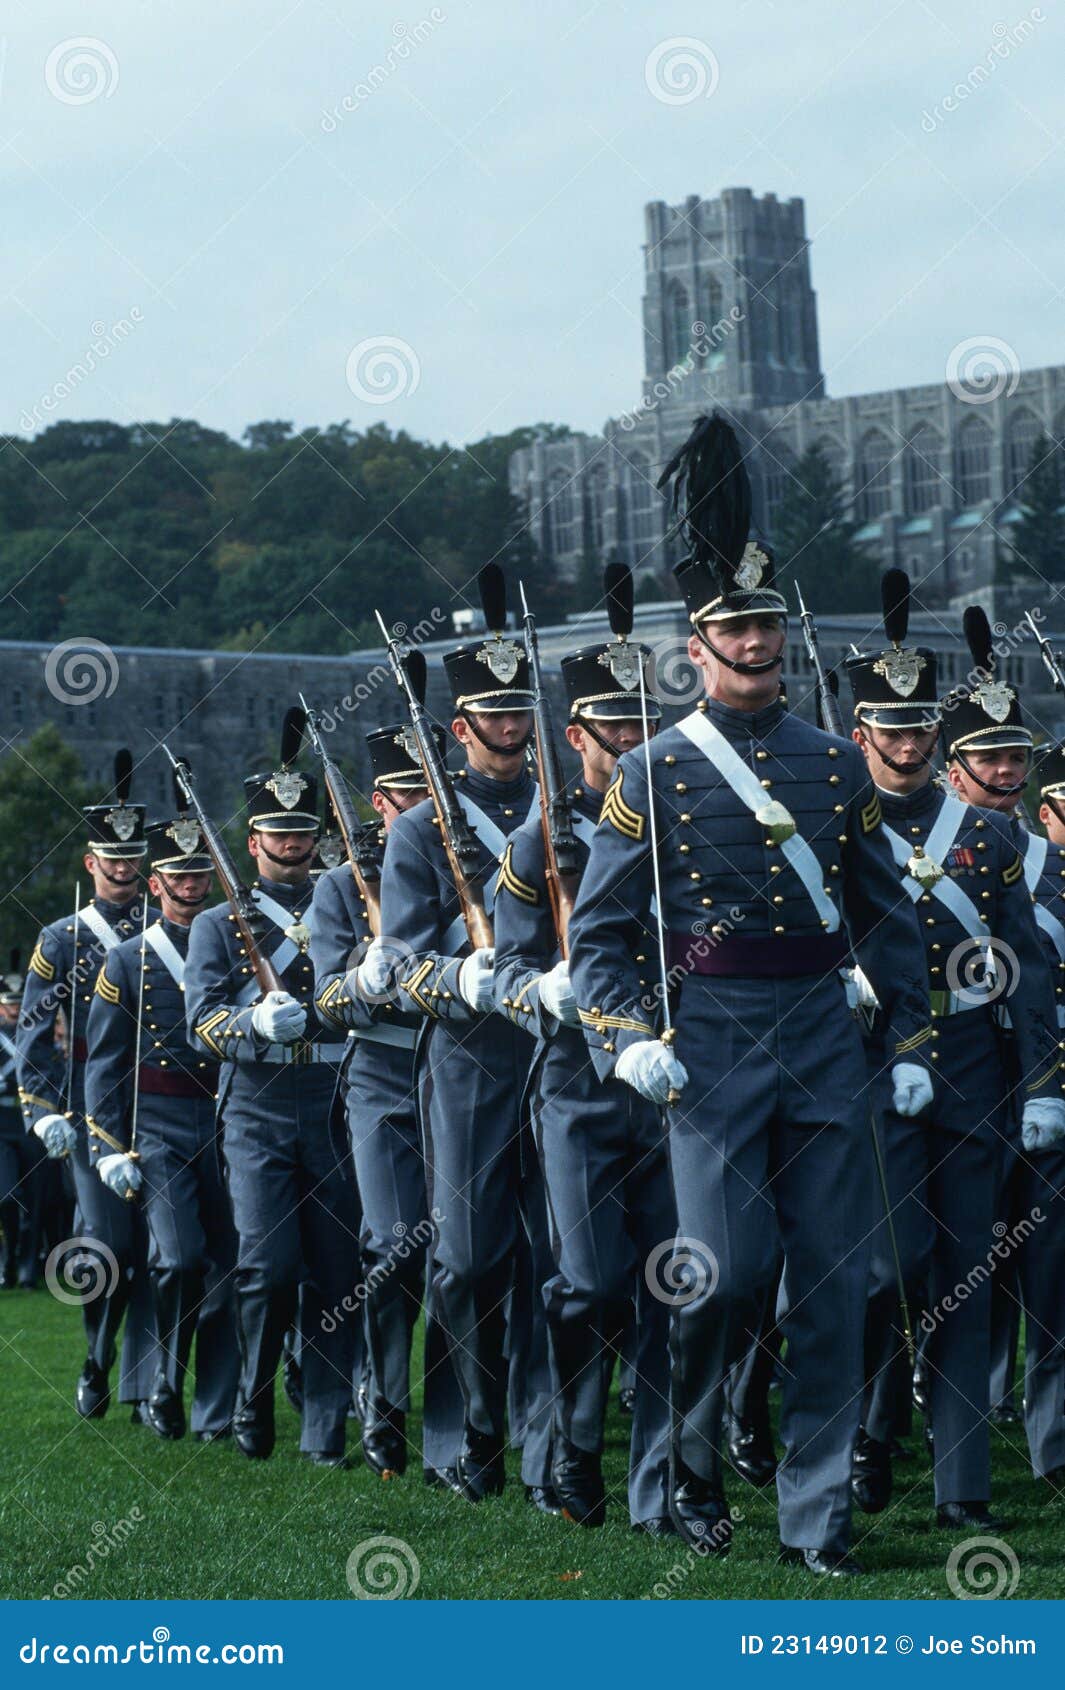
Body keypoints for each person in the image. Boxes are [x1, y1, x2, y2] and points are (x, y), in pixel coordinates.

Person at [567, 413, 933, 1576]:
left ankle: (817, 1519)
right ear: (697, 643)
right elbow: (604, 936)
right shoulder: (652, 769)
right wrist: (625, 1034)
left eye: (771, 625)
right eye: (738, 628)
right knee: (719, 1273)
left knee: (839, 1288)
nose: (759, 643)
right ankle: (683, 1460)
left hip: (824, 1037)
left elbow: (887, 913)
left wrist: (911, 1029)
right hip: (710, 1046)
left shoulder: (835, 763)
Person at [846, 588, 1064, 1528]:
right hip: (864, 1065)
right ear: (861, 733)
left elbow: (1029, 970)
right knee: (881, 1272)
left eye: (918, 730)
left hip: (972, 1060)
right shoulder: (832, 829)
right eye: (888, 732)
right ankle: (865, 1434)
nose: (906, 747)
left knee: (966, 1270)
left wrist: (1045, 1085)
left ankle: (961, 1484)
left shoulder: (984, 838)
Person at [493, 576, 677, 1532]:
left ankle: (659, 1484)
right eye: (616, 729)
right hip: (574, 1086)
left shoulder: (679, 822)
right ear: (577, 738)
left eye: (646, 723)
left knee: (674, 1284)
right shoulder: (537, 842)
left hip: (672, 1079)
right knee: (591, 1281)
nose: (636, 742)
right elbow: (506, 975)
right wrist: (544, 992)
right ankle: (571, 1438)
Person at [379, 569, 555, 1508]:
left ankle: (545, 1436)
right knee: (471, 1255)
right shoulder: (418, 828)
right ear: (460, 727)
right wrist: (461, 974)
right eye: (494, 712)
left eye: (522, 706)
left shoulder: (566, 808)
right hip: (469, 1051)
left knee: (561, 1253)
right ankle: (468, 1425)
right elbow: (397, 962)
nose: (512, 724)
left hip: (559, 1040)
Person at [184, 717, 359, 1467]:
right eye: (276, 834)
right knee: (267, 1267)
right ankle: (254, 1398)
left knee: (337, 1269)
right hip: (256, 1105)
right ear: (251, 842)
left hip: (336, 1096)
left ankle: (324, 1422)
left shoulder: (345, 905)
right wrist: (252, 1021)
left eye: (302, 832)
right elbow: (199, 1025)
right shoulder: (221, 925)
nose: (292, 844)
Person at [311, 722, 463, 1489]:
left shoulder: (470, 859)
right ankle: (380, 1391)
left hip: (463, 1069)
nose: (425, 808)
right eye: (411, 794)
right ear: (379, 802)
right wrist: (364, 983)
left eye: (434, 790)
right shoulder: (341, 885)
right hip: (384, 1074)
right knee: (394, 1246)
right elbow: (326, 999)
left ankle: (447, 1427)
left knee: (456, 1258)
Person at [83, 808, 238, 1442]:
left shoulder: (234, 940)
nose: (193, 885)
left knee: (233, 1266)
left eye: (202, 873)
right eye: (179, 875)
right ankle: (165, 1383)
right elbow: (105, 1062)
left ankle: (218, 1409)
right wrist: (109, 1145)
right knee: (176, 1260)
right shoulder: (125, 960)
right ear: (156, 884)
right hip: (160, 1122)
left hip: (229, 1115)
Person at [16, 753, 157, 1418]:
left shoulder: (174, 932)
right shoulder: (62, 938)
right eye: (112, 858)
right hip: (84, 1104)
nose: (124, 869)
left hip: (160, 1096)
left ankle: (145, 1384)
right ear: (90, 863)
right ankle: (98, 1357)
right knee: (110, 1244)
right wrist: (41, 1108)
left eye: (133, 858)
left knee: (165, 1249)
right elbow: (36, 1033)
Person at [1, 951, 45, 1289]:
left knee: (35, 1198)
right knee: (6, 1196)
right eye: (8, 1004)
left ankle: (30, 1267)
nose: (14, 1009)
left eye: (18, 1003)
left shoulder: (37, 1033)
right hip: (2, 1124)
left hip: (32, 1120)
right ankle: (8, 1260)